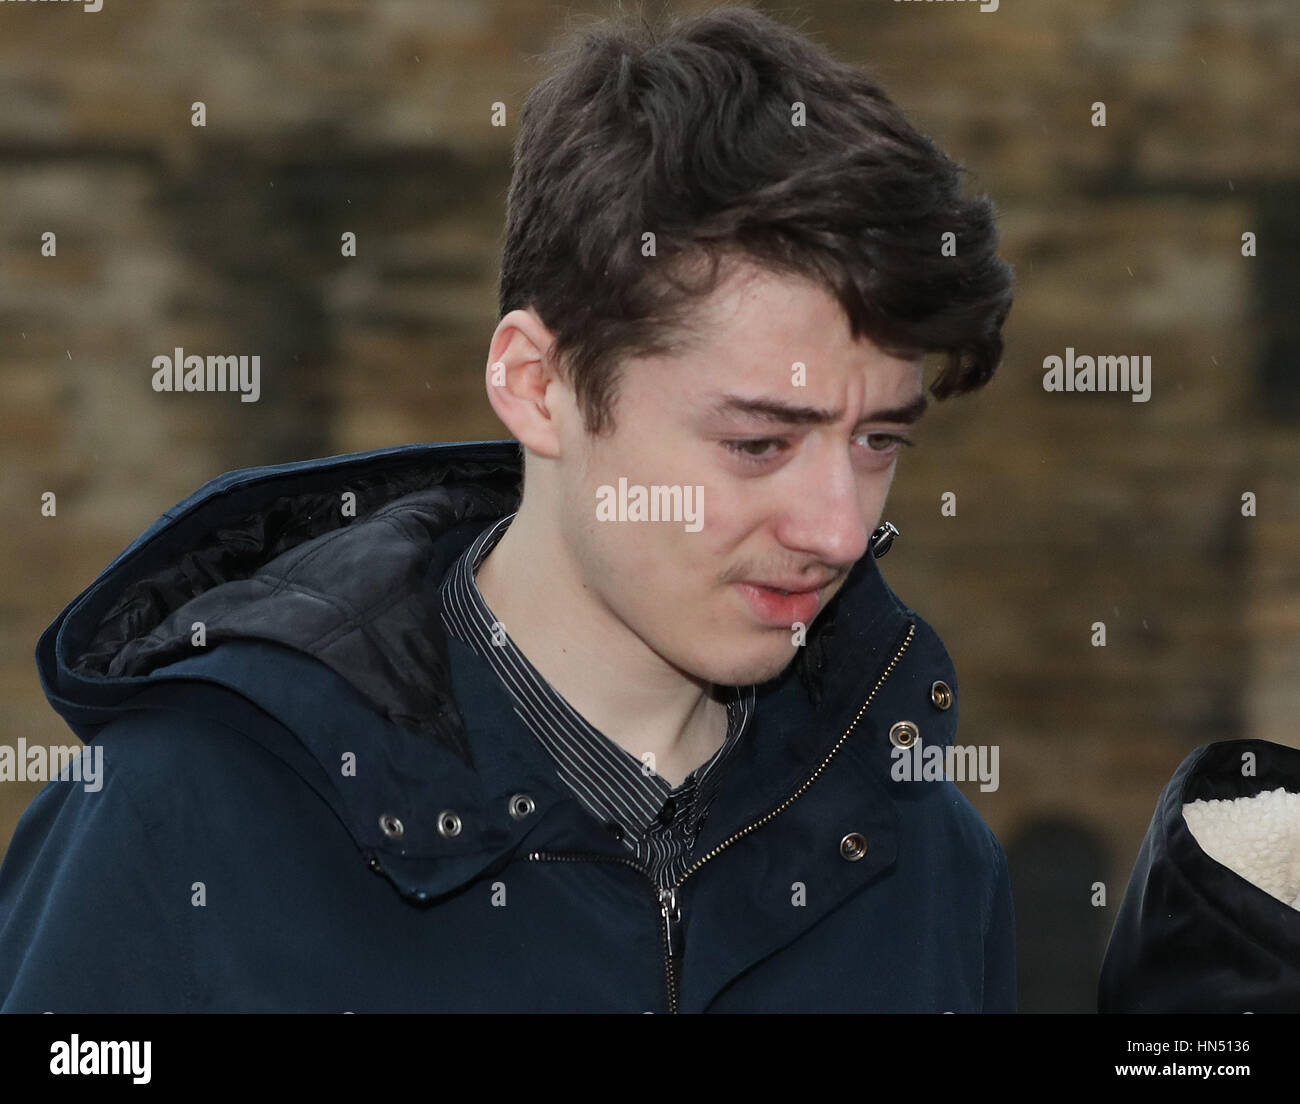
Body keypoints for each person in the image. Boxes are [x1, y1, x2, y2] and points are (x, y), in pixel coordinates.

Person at [0, 4, 1015, 1012]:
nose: (838, 529)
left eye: (879, 440)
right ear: (538, 385)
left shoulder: (920, 855)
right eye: (758, 443)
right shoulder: (176, 823)